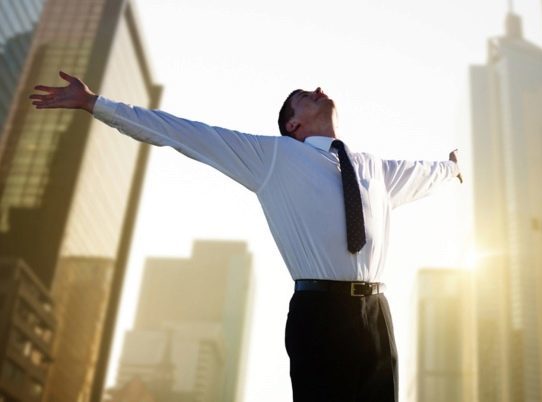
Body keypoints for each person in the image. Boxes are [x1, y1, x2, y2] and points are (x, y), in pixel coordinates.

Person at [30, 71, 462, 402]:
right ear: (292, 125)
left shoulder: (374, 169)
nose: (316, 89)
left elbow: (426, 173)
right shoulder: (272, 157)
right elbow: (182, 133)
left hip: (377, 316)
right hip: (320, 313)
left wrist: (453, 168)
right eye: (302, 97)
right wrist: (95, 104)